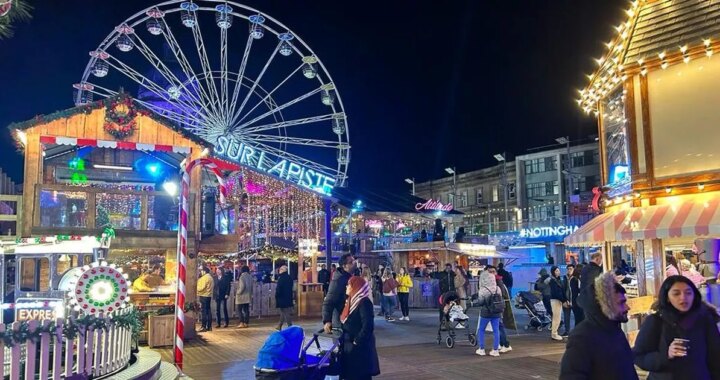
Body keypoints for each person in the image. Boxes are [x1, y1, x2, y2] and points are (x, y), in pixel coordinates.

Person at [633, 275, 720, 379]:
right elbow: (639, 357)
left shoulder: (704, 320)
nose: (683, 297)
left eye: (688, 292)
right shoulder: (656, 321)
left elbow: (715, 357)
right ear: (667, 297)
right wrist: (666, 355)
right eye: (676, 294)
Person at [559, 272, 637, 380]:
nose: (627, 307)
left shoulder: (615, 331)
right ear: (607, 306)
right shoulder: (582, 337)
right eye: (621, 303)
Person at [340, 276, 380, 380]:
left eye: (349, 285)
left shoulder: (364, 302)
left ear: (356, 286)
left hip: (359, 347)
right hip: (350, 344)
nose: (347, 287)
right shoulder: (351, 301)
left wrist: (357, 341)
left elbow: (368, 325)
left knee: (360, 374)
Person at [323, 253, 356, 333]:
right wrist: (327, 321)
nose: (354, 263)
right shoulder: (339, 280)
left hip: (348, 320)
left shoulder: (349, 277)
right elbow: (328, 302)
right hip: (341, 322)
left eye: (354, 261)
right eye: (351, 262)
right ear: (344, 266)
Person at [475, 270, 504, 357]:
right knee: (496, 330)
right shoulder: (497, 288)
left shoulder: (483, 290)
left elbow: (480, 302)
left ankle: (482, 349)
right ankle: (495, 350)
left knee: (481, 330)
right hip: (496, 312)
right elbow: (500, 299)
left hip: (486, 312)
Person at [487, 265, 513, 353]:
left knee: (499, 326)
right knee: (497, 326)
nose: (491, 273)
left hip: (497, 307)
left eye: (493, 271)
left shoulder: (498, 281)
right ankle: (501, 344)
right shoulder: (492, 281)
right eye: (489, 272)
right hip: (493, 307)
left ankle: (505, 344)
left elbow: (501, 294)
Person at [548, 266, 568, 341]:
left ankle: (554, 333)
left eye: (558, 270)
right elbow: (556, 293)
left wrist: (565, 300)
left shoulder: (559, 280)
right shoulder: (553, 281)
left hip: (559, 300)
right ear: (553, 272)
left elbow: (562, 291)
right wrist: (563, 301)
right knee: (556, 318)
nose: (558, 272)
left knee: (557, 318)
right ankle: (554, 334)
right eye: (556, 271)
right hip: (555, 300)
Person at [275, 265, 294, 330]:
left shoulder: (281, 278)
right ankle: (279, 325)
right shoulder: (289, 277)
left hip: (282, 297)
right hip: (288, 297)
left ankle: (290, 326)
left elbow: (279, 288)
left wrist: (277, 295)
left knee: (285, 312)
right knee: (284, 312)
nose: (279, 270)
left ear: (283, 270)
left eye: (281, 269)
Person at [197, 267, 214, 332]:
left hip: (203, 296)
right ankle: (209, 327)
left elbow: (201, 288)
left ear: (204, 271)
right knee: (208, 311)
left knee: (204, 311)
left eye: (201, 271)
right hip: (208, 296)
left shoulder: (204, 278)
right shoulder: (210, 277)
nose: (200, 272)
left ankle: (203, 326)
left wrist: (196, 287)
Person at [561, 265, 575, 336]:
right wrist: (565, 300)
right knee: (566, 317)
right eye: (568, 269)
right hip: (566, 300)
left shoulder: (576, 278)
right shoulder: (564, 278)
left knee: (577, 316)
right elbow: (563, 290)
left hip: (574, 301)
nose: (569, 270)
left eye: (571, 269)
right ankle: (567, 331)